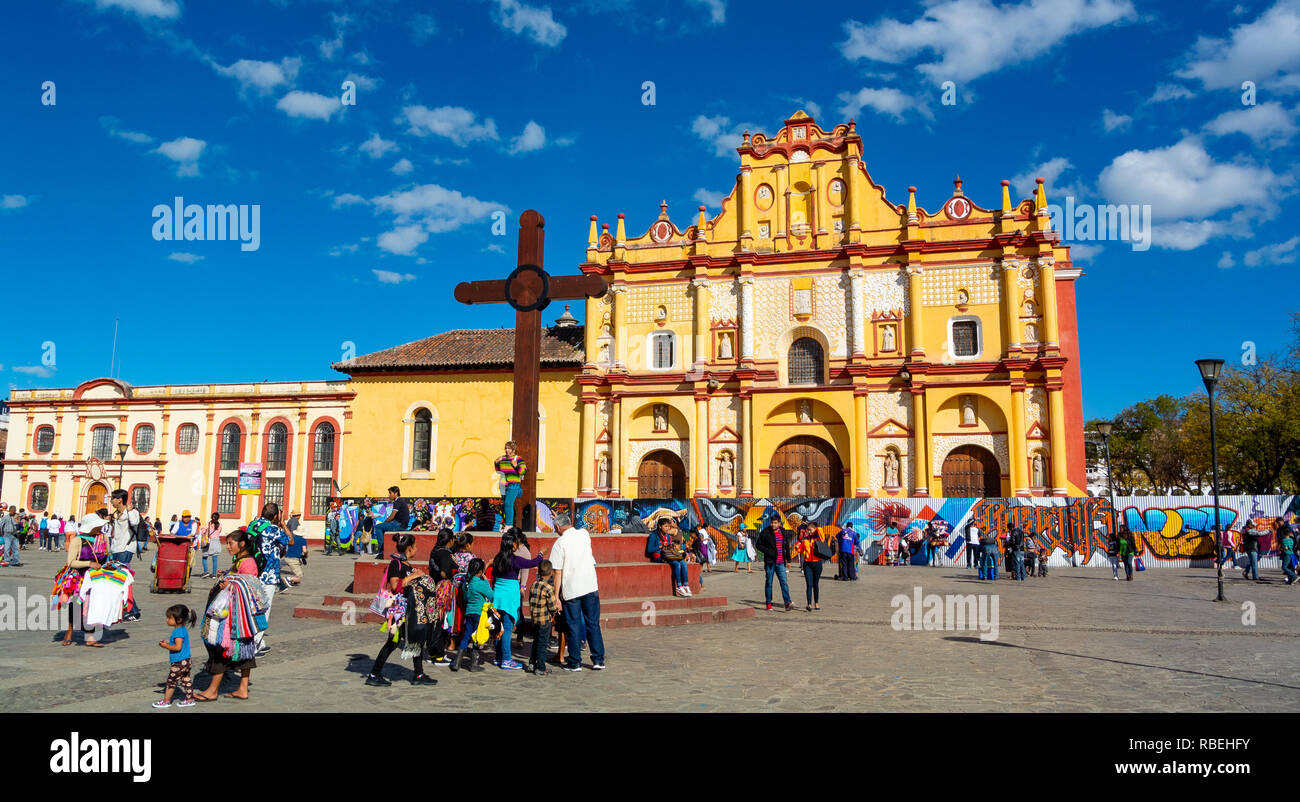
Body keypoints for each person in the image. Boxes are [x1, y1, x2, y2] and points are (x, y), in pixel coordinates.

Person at [195, 530, 266, 702]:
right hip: (238, 615)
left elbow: (249, 587)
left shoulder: (248, 563)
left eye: (230, 544)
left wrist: (230, 584)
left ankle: (212, 690)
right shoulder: (240, 560)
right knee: (244, 651)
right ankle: (242, 689)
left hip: (235, 617)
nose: (227, 547)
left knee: (222, 648)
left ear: (242, 545)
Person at [365, 534, 438, 687]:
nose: (416, 549)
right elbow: (395, 586)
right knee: (392, 643)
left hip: (409, 610)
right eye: (415, 546)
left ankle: (418, 674)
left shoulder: (406, 564)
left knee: (416, 640)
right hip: (398, 612)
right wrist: (412, 577)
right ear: (409, 548)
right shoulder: (395, 564)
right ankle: (374, 674)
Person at [549, 513, 604, 672]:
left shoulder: (560, 543)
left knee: (573, 625)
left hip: (571, 589)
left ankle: (575, 661)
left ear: (558, 527)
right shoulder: (584, 535)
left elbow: (557, 572)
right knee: (593, 624)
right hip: (590, 586)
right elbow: (581, 528)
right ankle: (598, 659)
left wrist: (556, 595)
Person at [490, 531, 546, 670]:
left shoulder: (498, 559)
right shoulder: (514, 560)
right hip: (509, 597)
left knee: (499, 628)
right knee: (507, 629)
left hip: (498, 596)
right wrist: (541, 554)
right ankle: (507, 659)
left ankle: (499, 657)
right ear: (512, 544)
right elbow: (533, 562)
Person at [248, 503, 290, 656]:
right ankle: (254, 646)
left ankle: (260, 642)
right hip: (269, 575)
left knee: (253, 609)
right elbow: (289, 540)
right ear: (275, 516)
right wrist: (283, 523)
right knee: (263, 611)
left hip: (252, 573)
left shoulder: (253, 524)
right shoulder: (274, 529)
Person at [450, 557, 492, 672]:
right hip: (480, 614)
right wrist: (486, 581)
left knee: (467, 636)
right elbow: (491, 595)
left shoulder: (466, 584)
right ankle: (474, 664)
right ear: (480, 571)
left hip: (469, 613)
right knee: (477, 637)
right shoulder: (481, 583)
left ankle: (457, 662)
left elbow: (465, 597)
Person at [107, 489, 143, 621]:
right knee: (116, 581)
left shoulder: (131, 512)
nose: (111, 501)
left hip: (126, 549)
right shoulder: (117, 513)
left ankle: (133, 611)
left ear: (120, 500)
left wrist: (130, 510)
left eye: (113, 498)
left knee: (122, 581)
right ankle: (124, 609)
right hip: (116, 549)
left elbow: (134, 523)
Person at [154, 604, 198, 708]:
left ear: (178, 620)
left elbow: (178, 647)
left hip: (179, 661)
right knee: (186, 679)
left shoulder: (177, 632)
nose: (166, 620)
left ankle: (166, 701)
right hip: (186, 660)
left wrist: (166, 646)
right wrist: (169, 643)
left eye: (169, 618)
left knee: (171, 682)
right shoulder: (182, 629)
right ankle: (189, 699)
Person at [526, 560, 559, 675]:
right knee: (542, 643)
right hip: (544, 620)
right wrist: (555, 613)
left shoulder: (534, 585)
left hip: (534, 619)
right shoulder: (549, 588)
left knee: (536, 641)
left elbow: (530, 600)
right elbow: (552, 606)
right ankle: (540, 667)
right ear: (551, 573)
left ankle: (532, 663)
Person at [755, 517, 794, 611]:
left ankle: (787, 602)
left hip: (781, 562)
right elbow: (758, 545)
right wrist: (768, 551)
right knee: (769, 582)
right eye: (772, 523)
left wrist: (788, 560)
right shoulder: (765, 532)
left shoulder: (783, 532)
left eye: (775, 523)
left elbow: (786, 546)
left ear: (779, 523)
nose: (773, 525)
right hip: (770, 562)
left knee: (784, 582)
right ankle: (768, 603)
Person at [647, 517, 691, 597]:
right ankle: (679, 586)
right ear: (660, 526)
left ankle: (686, 585)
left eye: (668, 526)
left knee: (683, 563)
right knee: (677, 564)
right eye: (665, 526)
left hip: (669, 555)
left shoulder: (667, 535)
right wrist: (660, 546)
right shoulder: (653, 535)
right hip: (659, 557)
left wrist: (671, 545)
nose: (667, 528)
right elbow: (649, 550)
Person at [495, 441, 527, 529]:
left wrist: (516, 466)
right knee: (506, 505)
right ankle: (509, 524)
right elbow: (498, 471)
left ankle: (509, 525)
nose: (506, 450)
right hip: (503, 484)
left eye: (508, 448)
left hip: (513, 484)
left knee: (508, 503)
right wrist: (496, 463)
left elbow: (523, 471)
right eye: (505, 448)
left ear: (513, 449)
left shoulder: (518, 458)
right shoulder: (502, 458)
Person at [372, 486, 409, 560]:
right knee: (382, 527)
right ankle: (383, 549)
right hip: (399, 523)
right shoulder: (400, 501)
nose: (389, 495)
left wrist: (385, 523)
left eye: (390, 493)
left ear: (396, 493)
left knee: (378, 527)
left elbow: (391, 517)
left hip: (399, 525)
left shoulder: (397, 502)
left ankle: (382, 551)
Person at [793, 525, 824, 611]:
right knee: (809, 584)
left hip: (817, 563)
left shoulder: (819, 539)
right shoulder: (805, 540)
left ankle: (816, 602)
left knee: (815, 584)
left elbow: (820, 530)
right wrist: (797, 548)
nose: (809, 532)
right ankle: (809, 603)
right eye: (808, 530)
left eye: (810, 530)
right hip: (807, 564)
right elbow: (800, 550)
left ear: (815, 529)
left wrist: (815, 528)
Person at [199, 513, 223, 578]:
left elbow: (202, 531)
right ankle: (214, 574)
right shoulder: (220, 525)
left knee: (204, 557)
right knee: (214, 558)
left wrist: (201, 530)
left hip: (209, 542)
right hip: (216, 542)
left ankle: (206, 572)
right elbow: (219, 531)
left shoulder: (209, 524)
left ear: (211, 517)